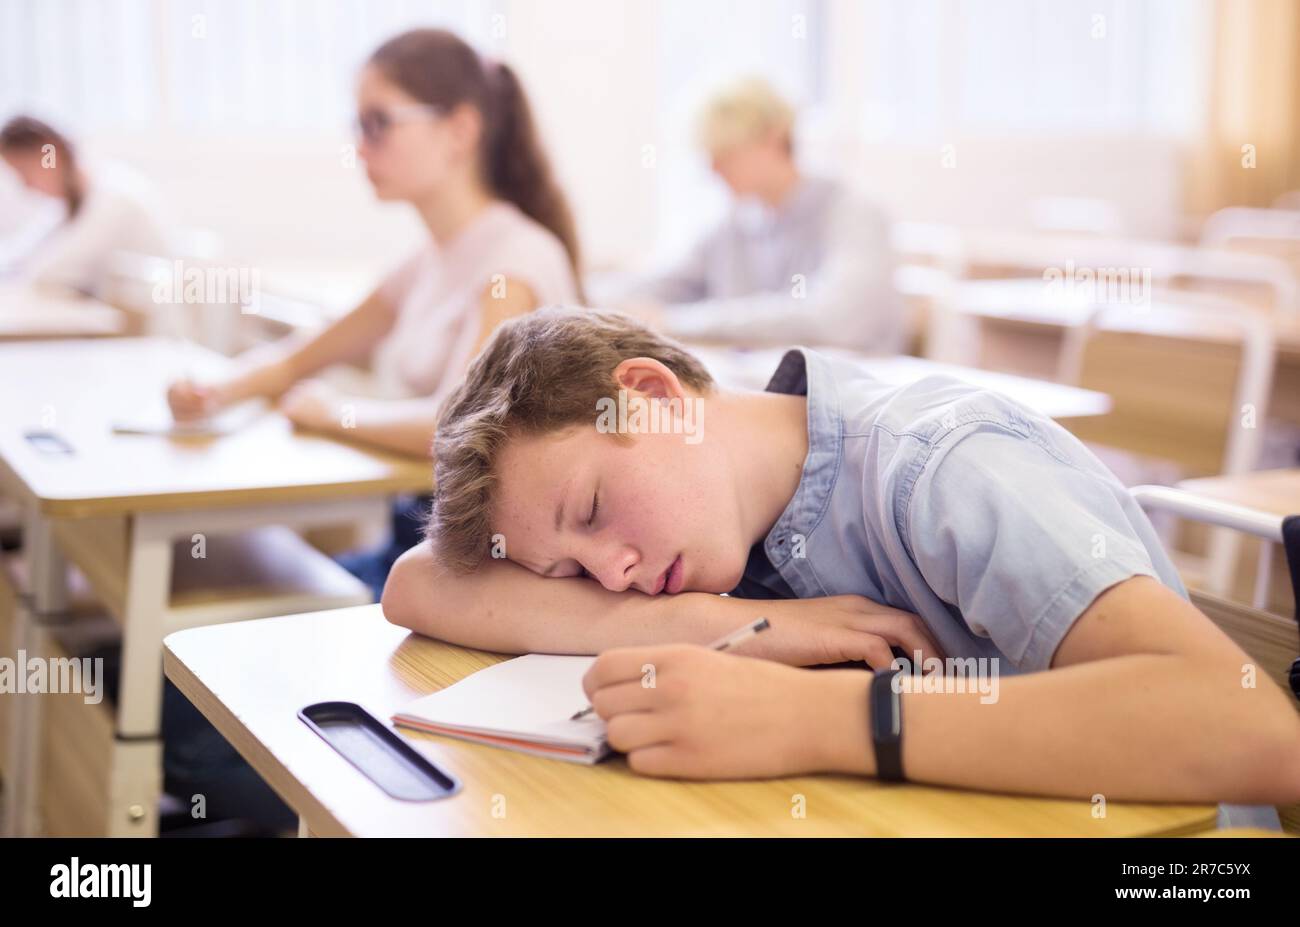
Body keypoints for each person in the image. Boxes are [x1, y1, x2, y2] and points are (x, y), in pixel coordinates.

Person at [382, 308, 1300, 809]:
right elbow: (418, 584)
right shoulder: (714, 524)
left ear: (652, 396)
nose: (611, 574)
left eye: (589, 511)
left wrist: (821, 717)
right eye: (571, 573)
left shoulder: (942, 469)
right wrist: (712, 623)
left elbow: (1258, 732)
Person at [166, 28, 583, 597]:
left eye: (378, 123)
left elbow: (454, 427)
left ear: (460, 129)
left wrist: (334, 414)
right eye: (357, 125)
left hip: (490, 575)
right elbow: (302, 358)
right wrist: (215, 393)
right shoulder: (430, 259)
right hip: (425, 542)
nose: (360, 147)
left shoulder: (512, 262)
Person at [625, 78, 903, 353]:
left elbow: (835, 321)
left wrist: (675, 322)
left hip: (849, 388)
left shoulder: (855, 214)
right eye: (710, 155)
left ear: (773, 138)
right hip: (764, 385)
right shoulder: (734, 224)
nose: (715, 168)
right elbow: (661, 284)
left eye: (726, 152)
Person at [0, 115, 171, 294]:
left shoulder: (115, 198)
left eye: (25, 172)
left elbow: (51, 272)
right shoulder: (71, 203)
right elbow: (21, 256)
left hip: (147, 318)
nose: (26, 185)